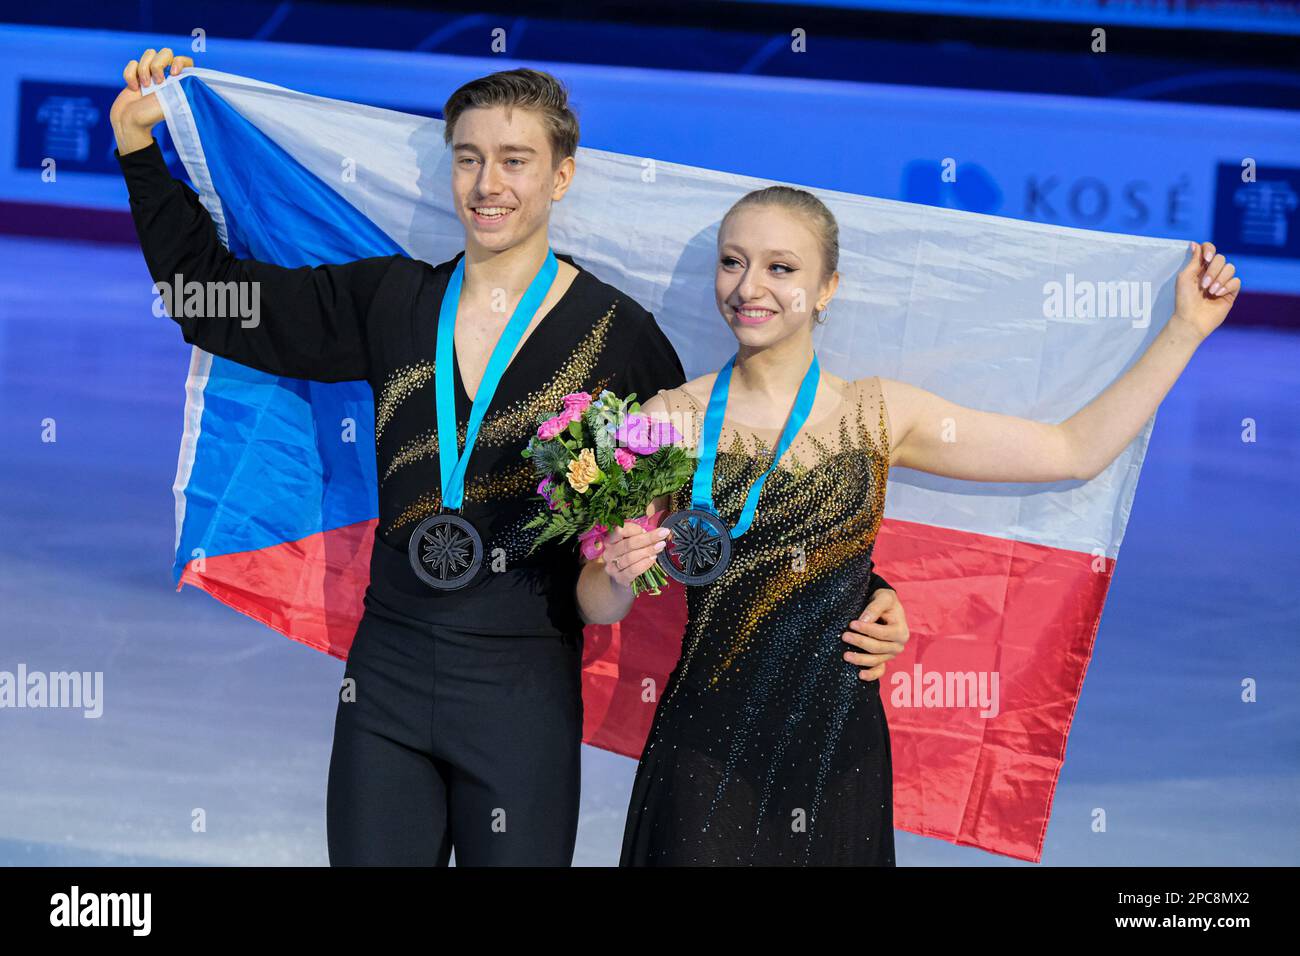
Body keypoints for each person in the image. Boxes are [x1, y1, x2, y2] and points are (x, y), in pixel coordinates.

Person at [109, 49, 911, 865]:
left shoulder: (620, 342)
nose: (488, 183)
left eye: (514, 161)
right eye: (469, 159)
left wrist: (863, 585)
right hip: (384, 679)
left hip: (523, 695)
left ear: (561, 178)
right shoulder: (392, 301)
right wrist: (140, 152)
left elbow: (719, 490)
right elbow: (211, 302)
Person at [580, 185, 1240, 866]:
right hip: (704, 752)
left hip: (839, 753)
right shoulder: (665, 421)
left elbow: (1073, 450)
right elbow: (596, 603)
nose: (751, 286)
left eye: (781, 267)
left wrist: (1185, 330)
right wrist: (618, 570)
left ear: (828, 287)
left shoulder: (879, 413)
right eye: (732, 262)